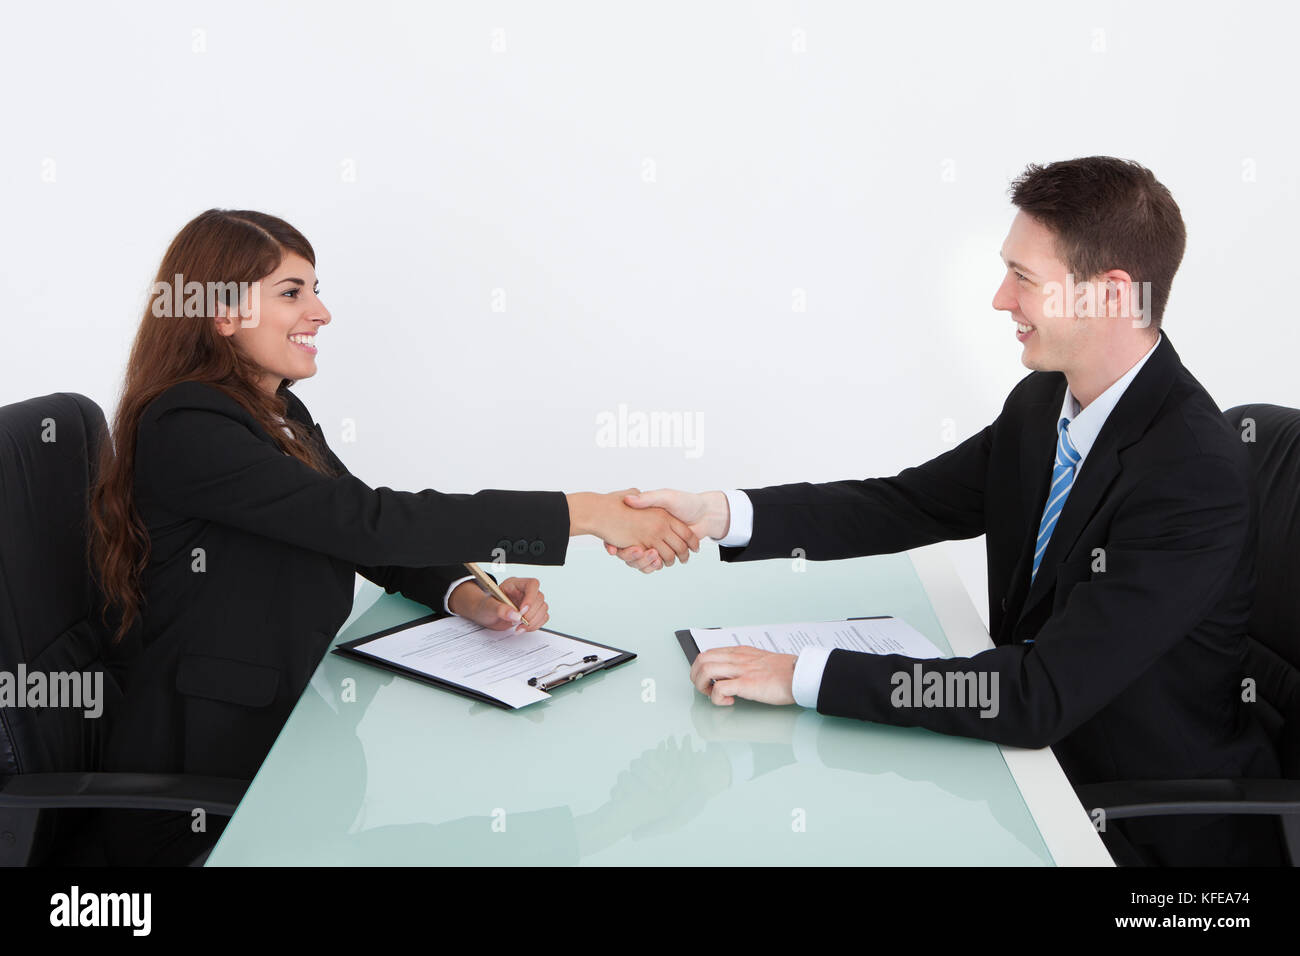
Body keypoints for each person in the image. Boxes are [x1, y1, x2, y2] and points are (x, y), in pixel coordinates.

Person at [606, 157, 1283, 866]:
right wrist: (717, 512)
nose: (1000, 299)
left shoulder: (1191, 474)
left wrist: (802, 675)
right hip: (1031, 778)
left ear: (1111, 296)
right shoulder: (1045, 402)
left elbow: (1039, 695)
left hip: (1143, 836)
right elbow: (905, 505)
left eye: (1024, 278)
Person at [88, 208, 699, 865]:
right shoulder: (188, 426)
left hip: (291, 740)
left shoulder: (275, 411)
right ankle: (598, 830)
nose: (320, 313)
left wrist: (466, 592)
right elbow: (373, 521)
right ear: (220, 312)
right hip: (209, 787)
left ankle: (594, 828)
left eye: (317, 289)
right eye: (292, 293)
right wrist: (581, 512)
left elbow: (358, 530)